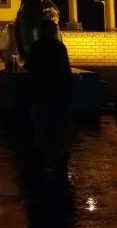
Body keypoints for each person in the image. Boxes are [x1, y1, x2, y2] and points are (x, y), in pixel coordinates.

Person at [26, 17, 73, 188]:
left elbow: (32, 71)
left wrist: (32, 93)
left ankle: (42, 153)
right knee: (58, 126)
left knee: (43, 125)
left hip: (43, 94)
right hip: (57, 93)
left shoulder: (37, 48)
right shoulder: (59, 48)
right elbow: (66, 71)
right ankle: (59, 152)